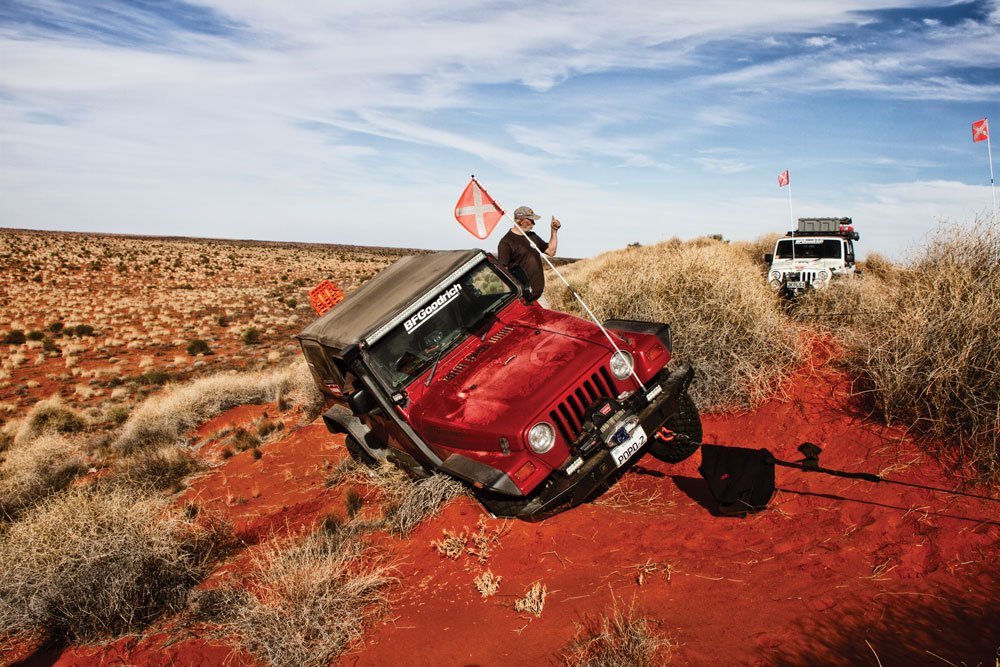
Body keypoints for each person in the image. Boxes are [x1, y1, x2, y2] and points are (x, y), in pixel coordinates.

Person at [497, 206, 561, 306]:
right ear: (520, 220)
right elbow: (503, 274)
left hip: (540, 296)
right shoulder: (506, 242)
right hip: (523, 300)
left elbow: (551, 251)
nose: (533, 223)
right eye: (530, 220)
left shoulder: (532, 236)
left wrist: (554, 231)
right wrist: (511, 301)